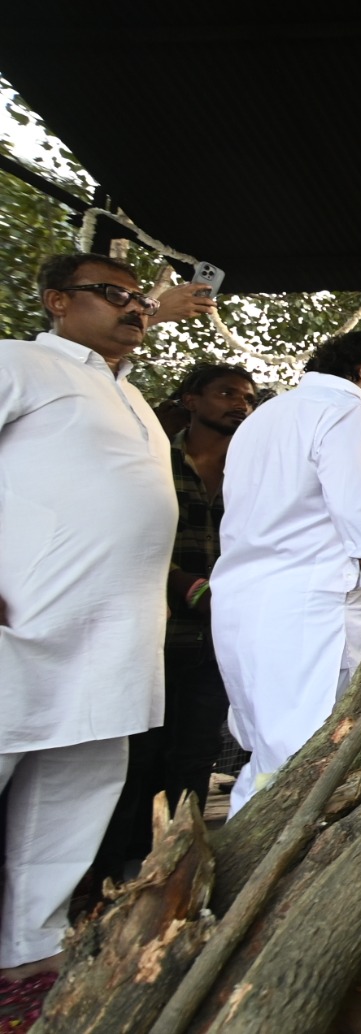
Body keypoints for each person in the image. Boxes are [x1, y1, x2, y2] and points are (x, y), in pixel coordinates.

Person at [1, 253, 178, 978]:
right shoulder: (20, 363)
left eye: (141, 299)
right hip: (25, 614)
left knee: (81, 779)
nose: (136, 308)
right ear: (56, 301)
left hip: (116, 628)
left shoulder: (132, 397)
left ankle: (31, 945)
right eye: (114, 294)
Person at [210, 330, 361, 815]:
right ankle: (274, 884)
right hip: (314, 613)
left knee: (268, 758)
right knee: (307, 765)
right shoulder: (353, 412)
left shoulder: (265, 416)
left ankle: (239, 872)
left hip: (246, 608)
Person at [96, 364, 257, 879]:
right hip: (152, 628)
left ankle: (170, 866)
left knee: (195, 755)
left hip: (220, 634)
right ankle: (113, 868)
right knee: (135, 753)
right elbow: (121, 534)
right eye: (226, 393)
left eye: (247, 398)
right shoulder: (154, 458)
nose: (239, 404)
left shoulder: (251, 471)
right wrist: (178, 581)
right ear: (191, 400)